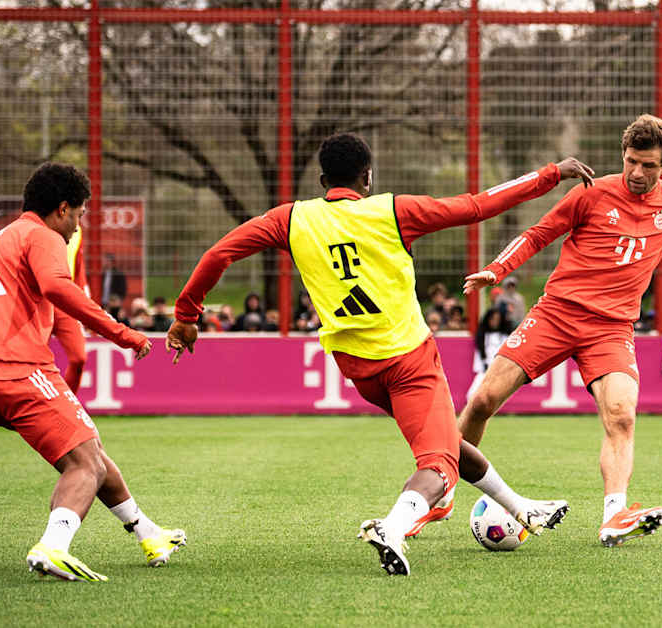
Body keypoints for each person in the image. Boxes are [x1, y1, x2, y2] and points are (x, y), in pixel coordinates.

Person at [166, 133, 593, 575]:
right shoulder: (392, 210)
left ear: (321, 179)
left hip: (359, 370)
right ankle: (393, 526)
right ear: (367, 177)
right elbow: (479, 204)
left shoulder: (291, 219)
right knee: (439, 463)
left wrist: (187, 314)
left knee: (447, 438)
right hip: (408, 360)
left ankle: (523, 508)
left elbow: (220, 253)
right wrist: (550, 175)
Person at [458, 114, 662, 548]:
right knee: (482, 400)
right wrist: (496, 270)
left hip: (612, 328)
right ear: (624, 155)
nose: (637, 173)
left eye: (648, 166)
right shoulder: (592, 194)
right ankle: (443, 487)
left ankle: (614, 514)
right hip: (558, 313)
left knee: (621, 416)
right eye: (631, 161)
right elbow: (538, 234)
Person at [0, 162, 184, 582]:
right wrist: (124, 334)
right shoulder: (43, 235)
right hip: (15, 368)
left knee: (88, 451)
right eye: (78, 215)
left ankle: (149, 534)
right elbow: (58, 287)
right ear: (61, 210)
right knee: (85, 465)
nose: (77, 226)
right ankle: (53, 547)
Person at [50, 222, 89, 393]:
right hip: (38, 303)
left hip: (66, 303)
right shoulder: (36, 227)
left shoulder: (77, 230)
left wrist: (83, 301)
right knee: (33, 361)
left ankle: (66, 405)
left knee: (79, 358)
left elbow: (78, 267)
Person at [467, 306, 514, 400]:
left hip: (500, 371)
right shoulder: (482, 335)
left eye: (497, 319)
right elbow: (480, 354)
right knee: (471, 395)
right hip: (485, 370)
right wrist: (484, 364)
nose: (495, 322)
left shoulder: (506, 336)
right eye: (492, 319)